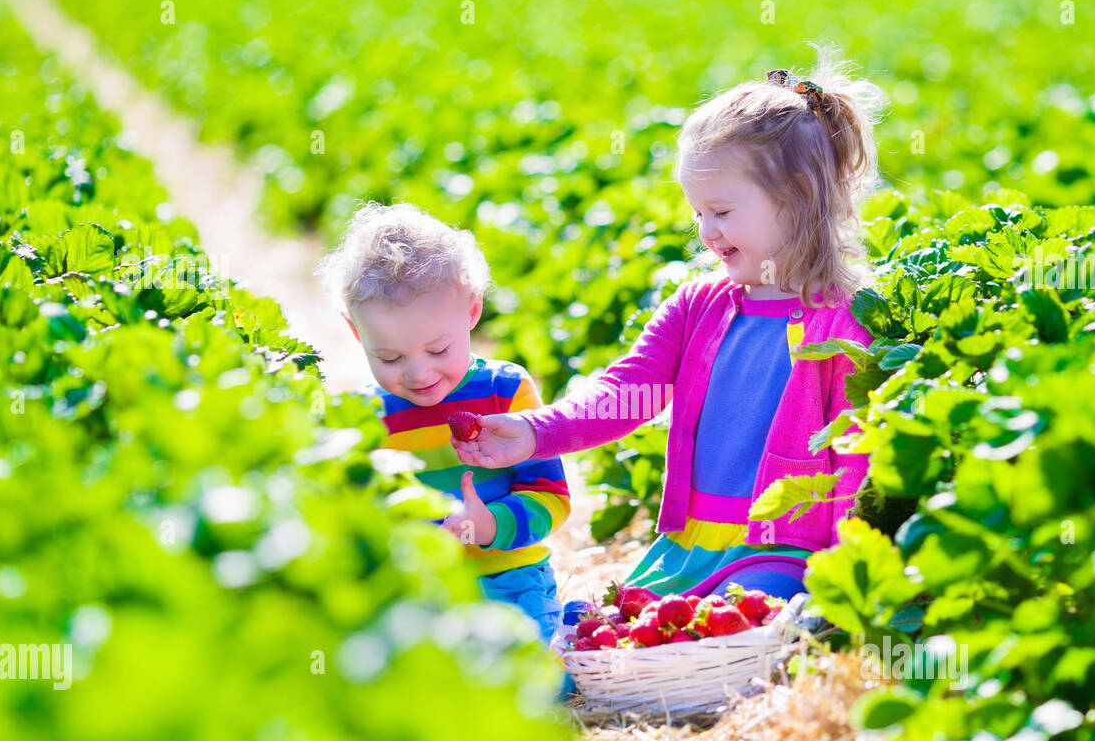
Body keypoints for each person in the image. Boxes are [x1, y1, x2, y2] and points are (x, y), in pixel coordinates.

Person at [452, 44, 886, 608]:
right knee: (604, 621)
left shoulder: (844, 322)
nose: (706, 231)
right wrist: (536, 432)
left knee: (746, 620)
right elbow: (626, 392)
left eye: (723, 212)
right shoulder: (698, 305)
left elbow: (856, 453)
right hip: (690, 542)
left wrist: (842, 571)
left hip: (785, 548)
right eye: (697, 212)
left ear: (800, 197)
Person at [317, 201, 571, 643]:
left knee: (536, 682)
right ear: (357, 333)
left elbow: (552, 498)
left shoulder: (505, 390)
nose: (419, 374)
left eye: (438, 350)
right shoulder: (366, 418)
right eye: (390, 357)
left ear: (472, 311)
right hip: (420, 594)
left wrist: (490, 525)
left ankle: (568, 619)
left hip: (508, 579)